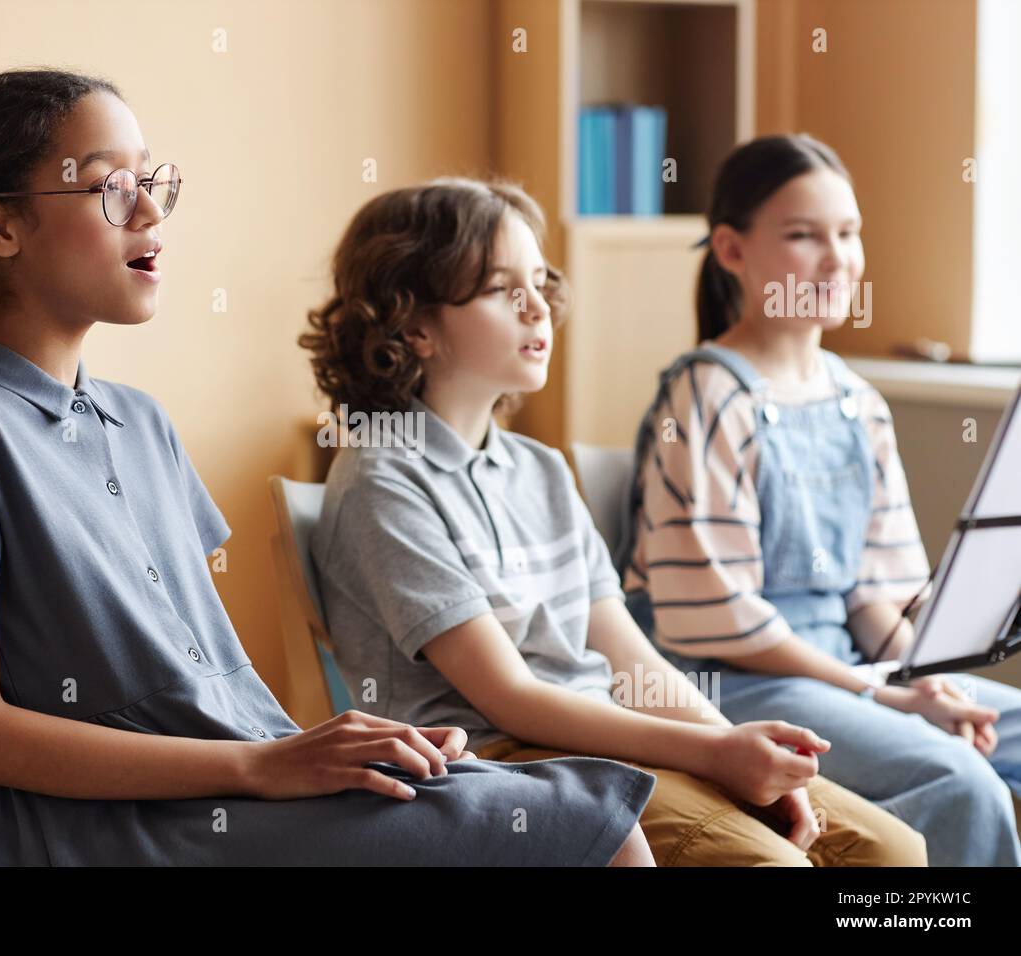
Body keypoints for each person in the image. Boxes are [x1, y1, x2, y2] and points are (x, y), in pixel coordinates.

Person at [0, 67, 657, 866]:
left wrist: (312, 750)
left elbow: (211, 677)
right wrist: (262, 765)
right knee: (594, 830)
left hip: (232, 784)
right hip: (97, 828)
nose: (149, 211)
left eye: (151, 181)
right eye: (112, 187)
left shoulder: (141, 421)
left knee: (578, 811)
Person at [302, 175, 926, 865]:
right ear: (413, 325)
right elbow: (511, 701)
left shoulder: (540, 469)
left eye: (540, 283)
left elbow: (630, 659)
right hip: (494, 766)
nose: (538, 308)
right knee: (768, 862)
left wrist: (746, 753)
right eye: (501, 289)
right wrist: (715, 752)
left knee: (890, 851)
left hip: (606, 734)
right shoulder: (382, 479)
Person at [620, 133, 1021, 866]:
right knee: (959, 781)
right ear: (732, 252)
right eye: (805, 236)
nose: (837, 258)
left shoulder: (856, 400)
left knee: (994, 726)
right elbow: (723, 625)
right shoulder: (707, 393)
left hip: (843, 674)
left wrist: (920, 680)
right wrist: (885, 697)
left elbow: (878, 598)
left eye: (848, 233)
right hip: (732, 689)